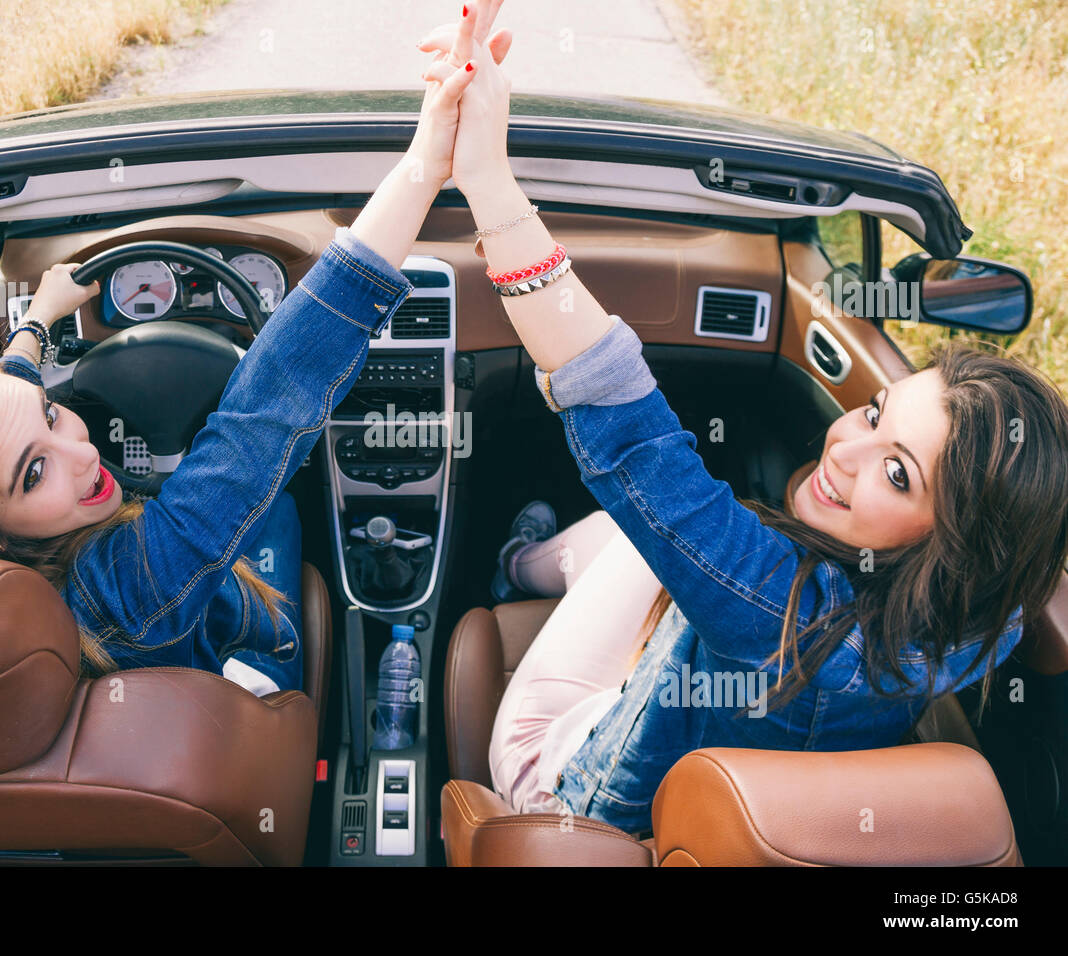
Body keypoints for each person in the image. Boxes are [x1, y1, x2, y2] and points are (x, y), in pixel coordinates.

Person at [419, 0, 1068, 833]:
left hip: (574, 795)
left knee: (645, 527)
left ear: (954, 547)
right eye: (872, 413)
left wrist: (485, 178)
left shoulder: (767, 603)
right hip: (722, 797)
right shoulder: (987, 619)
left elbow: (621, 419)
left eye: (898, 473)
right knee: (675, 537)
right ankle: (529, 557)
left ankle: (513, 560)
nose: (847, 451)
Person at [0, 3, 509, 698]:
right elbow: (264, 411)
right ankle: (288, 676)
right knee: (273, 506)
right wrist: (424, 163)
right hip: (239, 701)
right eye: (35, 475)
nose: (84, 454)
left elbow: (7, 412)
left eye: (53, 416)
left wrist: (38, 326)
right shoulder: (123, 592)